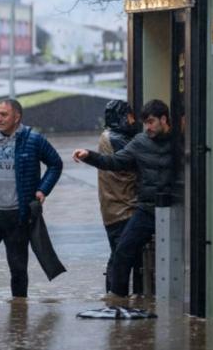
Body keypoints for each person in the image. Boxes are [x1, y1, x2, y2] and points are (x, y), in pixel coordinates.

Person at [73, 99, 174, 300]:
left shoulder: (179, 141)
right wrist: (89, 156)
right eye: (145, 123)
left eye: (152, 122)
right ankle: (117, 298)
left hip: (175, 208)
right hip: (147, 209)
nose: (148, 127)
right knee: (123, 251)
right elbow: (114, 162)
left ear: (164, 119)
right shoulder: (140, 142)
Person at [0, 98, 63, 299]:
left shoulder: (33, 140)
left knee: (18, 267)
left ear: (17, 117)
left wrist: (42, 190)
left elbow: (55, 164)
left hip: (18, 215)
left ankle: (19, 312)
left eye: (4, 115)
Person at [96, 100, 141, 294]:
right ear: (121, 117)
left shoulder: (108, 136)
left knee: (118, 256)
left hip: (113, 208)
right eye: (130, 117)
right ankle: (116, 299)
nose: (133, 121)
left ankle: (114, 299)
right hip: (123, 208)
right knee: (120, 257)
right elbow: (142, 157)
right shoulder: (117, 138)